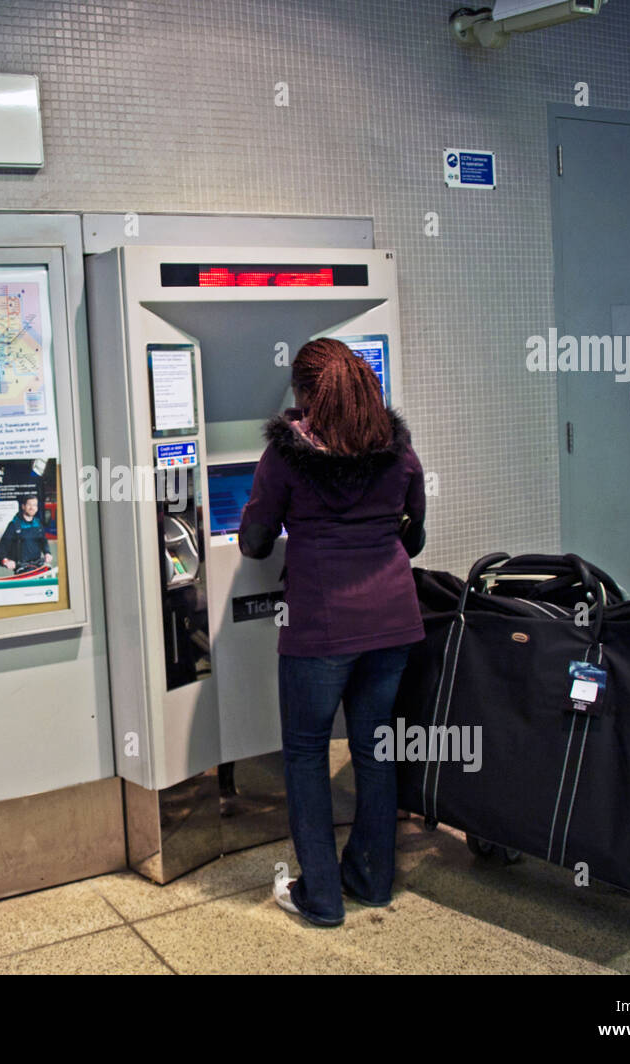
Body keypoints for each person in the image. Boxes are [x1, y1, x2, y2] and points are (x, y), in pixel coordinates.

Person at [239, 338, 426, 928]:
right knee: (375, 751)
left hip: (320, 627)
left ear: (303, 396)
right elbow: (413, 539)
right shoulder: (399, 454)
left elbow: (254, 541)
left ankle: (321, 896)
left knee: (304, 753)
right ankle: (371, 879)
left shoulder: (285, 458)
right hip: (393, 622)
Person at [0, 494, 52, 571]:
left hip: (38, 565)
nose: (32, 508)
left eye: (34, 505)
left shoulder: (38, 524)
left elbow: (43, 541)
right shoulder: (14, 525)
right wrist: (5, 560)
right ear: (23, 506)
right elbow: (2, 546)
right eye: (29, 505)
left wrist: (47, 553)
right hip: (22, 568)